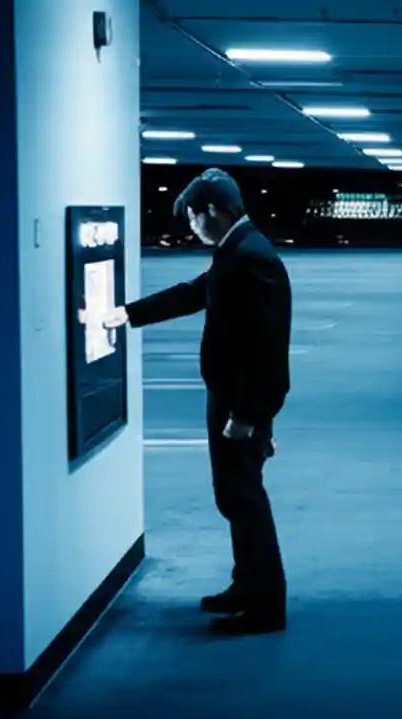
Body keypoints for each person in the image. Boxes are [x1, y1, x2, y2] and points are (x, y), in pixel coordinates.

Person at [105, 168, 292, 635]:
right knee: (233, 497)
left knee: (245, 500)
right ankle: (245, 585)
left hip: (238, 407)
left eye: (192, 217)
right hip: (231, 401)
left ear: (213, 210)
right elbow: (194, 294)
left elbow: (268, 346)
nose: (190, 226)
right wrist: (127, 314)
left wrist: (251, 417)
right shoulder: (235, 252)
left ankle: (264, 607)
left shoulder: (250, 257)